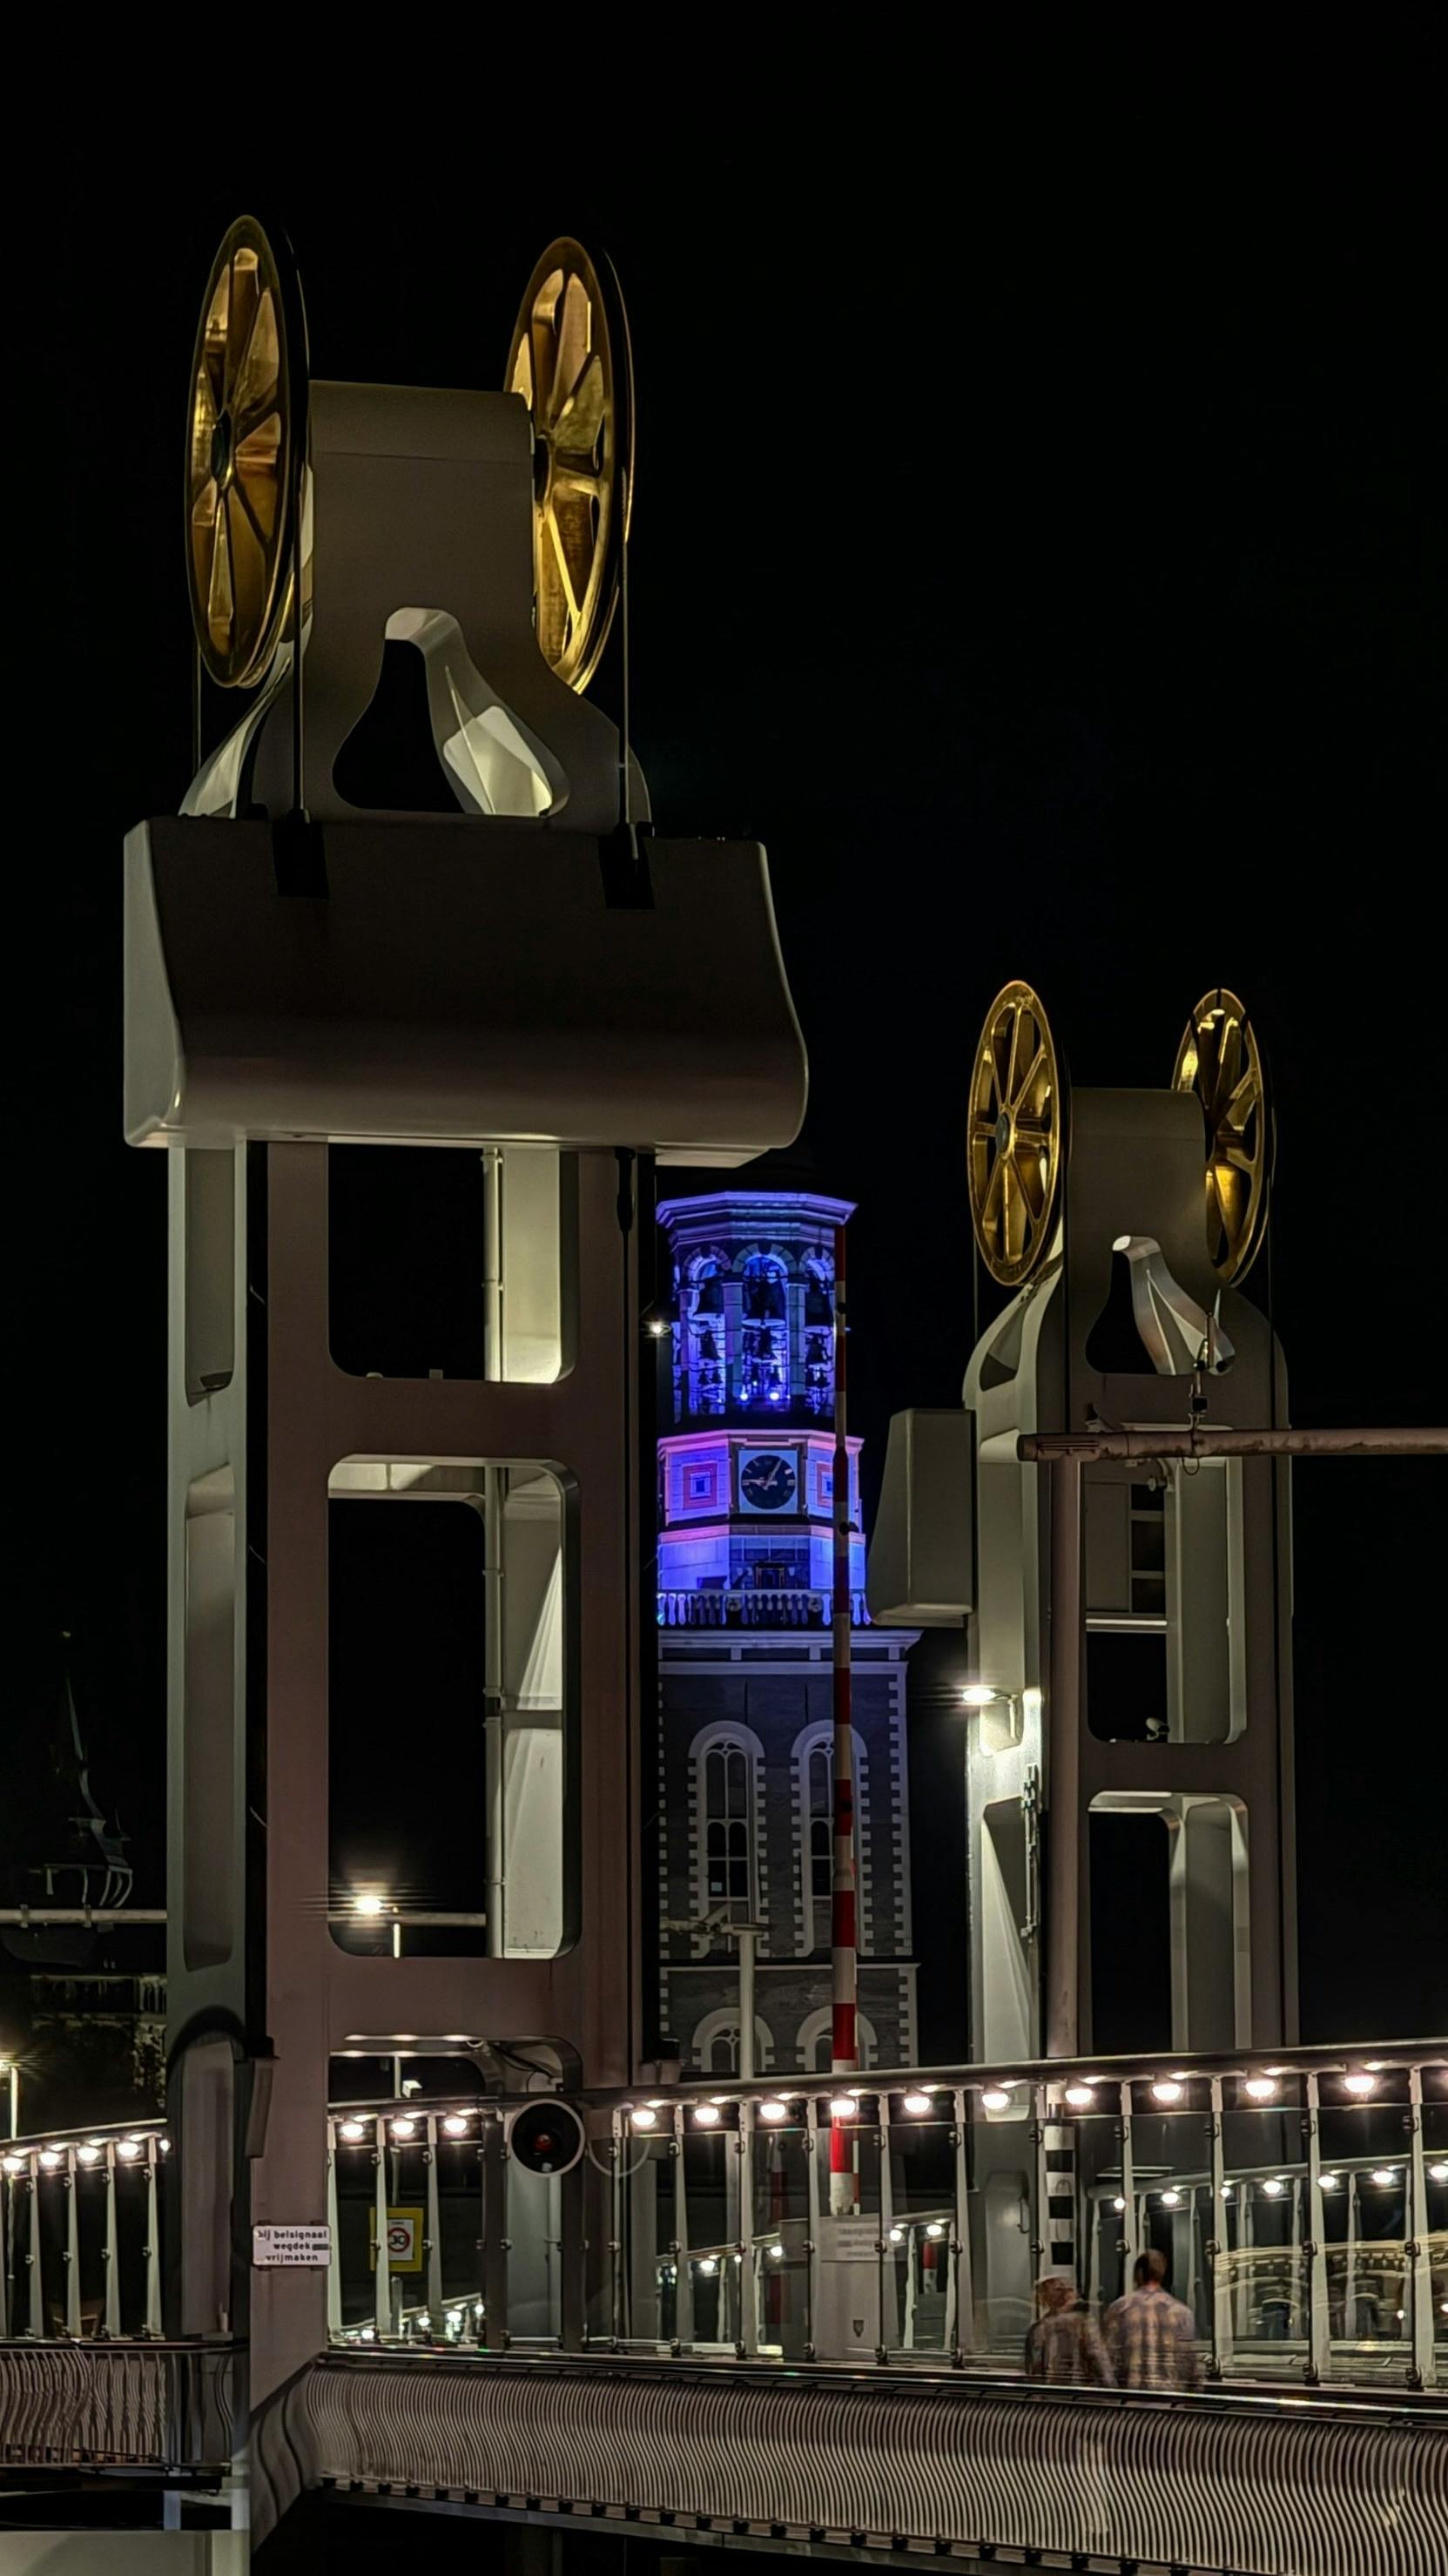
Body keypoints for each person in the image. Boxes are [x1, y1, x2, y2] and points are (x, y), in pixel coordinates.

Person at [1104, 2248, 1202, 2390]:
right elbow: (1189, 2362)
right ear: (1162, 2274)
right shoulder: (1182, 2312)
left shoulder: (1120, 2308)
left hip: (1130, 2401)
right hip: (1170, 2401)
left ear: (1139, 2273)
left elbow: (1110, 2360)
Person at [1024, 2274, 1115, 2384]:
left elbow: (1099, 2361)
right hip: (1070, 2394)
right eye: (1058, 2289)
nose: (1066, 2294)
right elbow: (1101, 2363)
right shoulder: (1038, 2329)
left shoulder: (1082, 2324)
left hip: (1069, 2394)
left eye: (1069, 2289)